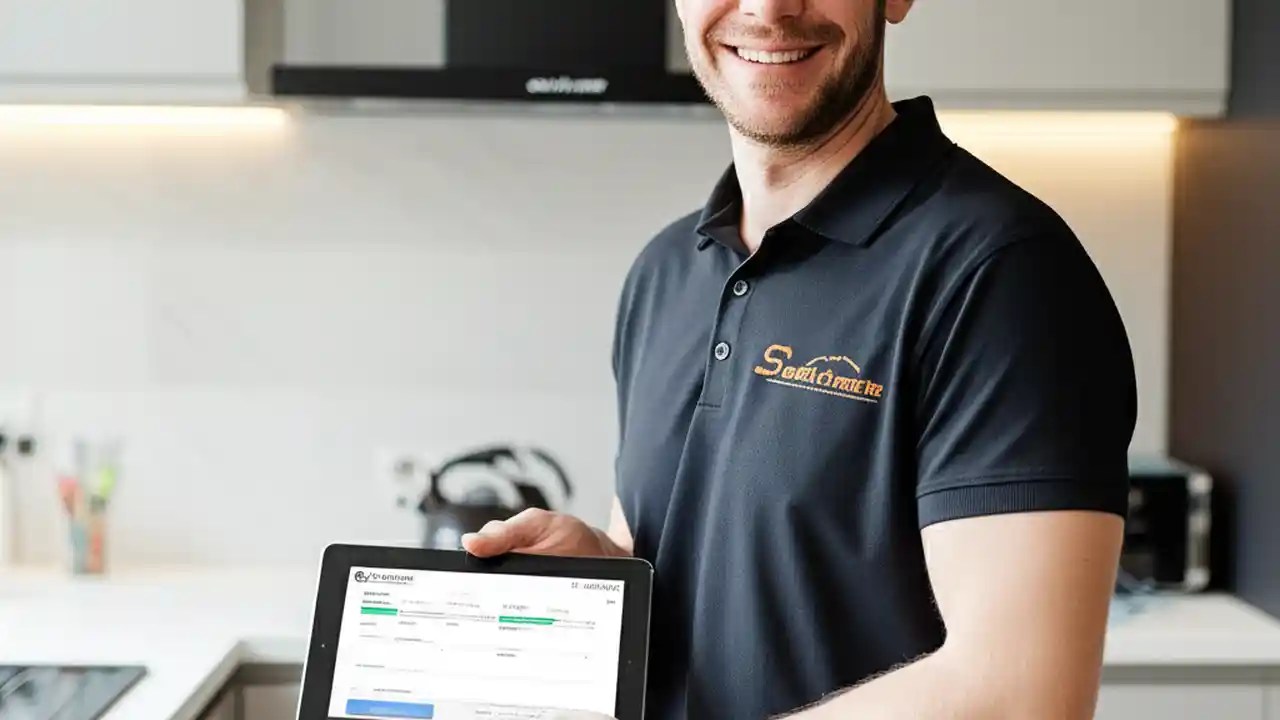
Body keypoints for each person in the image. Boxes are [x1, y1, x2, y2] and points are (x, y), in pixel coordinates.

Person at [466, 0, 1138, 717]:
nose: (769, 8)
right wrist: (605, 576)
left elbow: (1021, 695)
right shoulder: (666, 272)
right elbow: (689, 556)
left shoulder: (1000, 270)